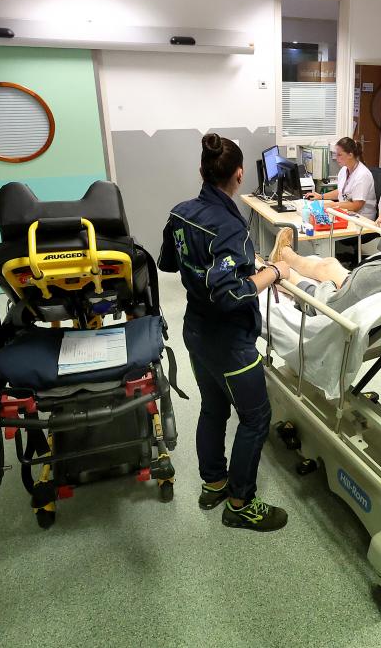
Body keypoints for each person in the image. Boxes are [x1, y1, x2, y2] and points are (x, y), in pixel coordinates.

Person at [158, 133, 291, 532]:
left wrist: (210, 268)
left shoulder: (180, 213)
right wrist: (273, 272)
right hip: (228, 341)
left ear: (202, 171)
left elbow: (168, 262)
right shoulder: (229, 228)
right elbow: (229, 292)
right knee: (256, 417)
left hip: (195, 331)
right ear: (238, 175)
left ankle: (213, 483)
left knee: (213, 407)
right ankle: (240, 502)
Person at [305, 136, 376, 220]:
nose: (336, 158)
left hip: (362, 220)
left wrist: (332, 205)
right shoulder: (344, 170)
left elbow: (356, 206)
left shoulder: (363, 175)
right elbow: (341, 191)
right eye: (336, 154)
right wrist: (321, 196)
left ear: (350, 155)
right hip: (346, 213)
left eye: (339, 155)